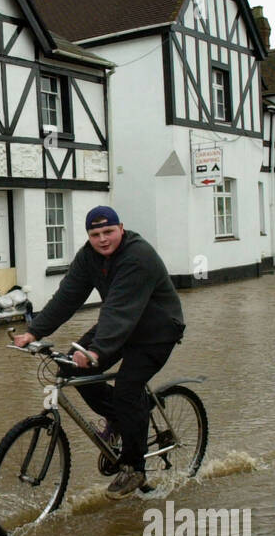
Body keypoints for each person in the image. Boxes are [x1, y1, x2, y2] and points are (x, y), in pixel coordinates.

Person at [12, 206, 185, 498]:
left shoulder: (137, 256)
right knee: (70, 367)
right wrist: (34, 331)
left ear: (122, 228)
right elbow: (68, 296)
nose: (102, 239)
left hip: (157, 330)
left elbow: (118, 309)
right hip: (119, 326)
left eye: (108, 232)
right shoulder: (89, 257)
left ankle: (134, 468)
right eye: (95, 234)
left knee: (127, 390)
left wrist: (97, 351)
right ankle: (122, 418)